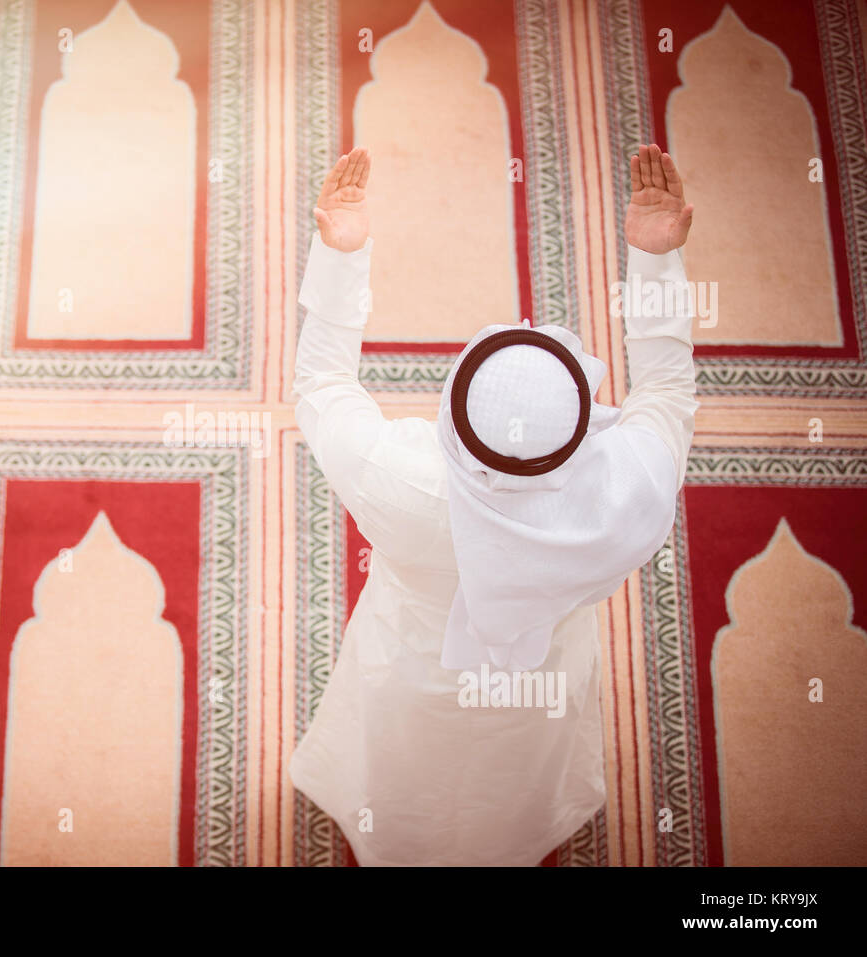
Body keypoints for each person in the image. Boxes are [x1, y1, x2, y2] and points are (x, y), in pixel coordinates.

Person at [288, 144, 698, 865]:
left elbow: (322, 382)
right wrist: (656, 261)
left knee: (401, 769)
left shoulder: (403, 476)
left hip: (408, 674)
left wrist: (343, 254)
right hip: (537, 689)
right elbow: (665, 393)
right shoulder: (623, 492)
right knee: (512, 778)